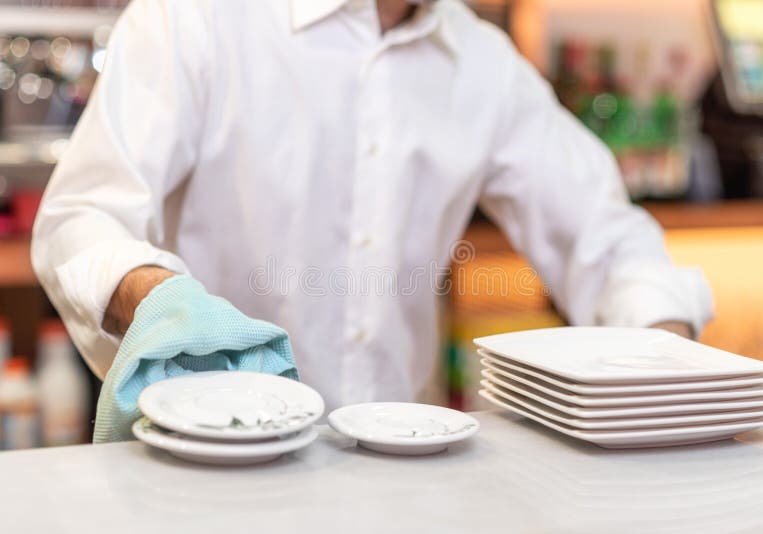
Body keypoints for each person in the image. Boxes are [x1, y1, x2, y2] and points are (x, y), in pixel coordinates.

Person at [32, 0, 712, 411]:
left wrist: (665, 361)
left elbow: (606, 236)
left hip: (402, 475)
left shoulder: (484, 65)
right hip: (208, 464)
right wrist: (166, 308)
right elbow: (81, 218)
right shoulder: (198, 18)